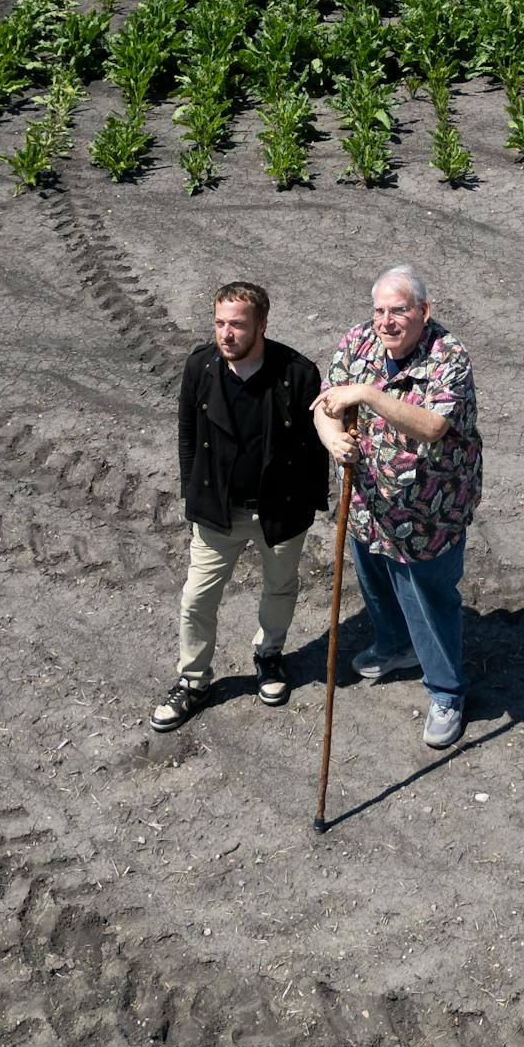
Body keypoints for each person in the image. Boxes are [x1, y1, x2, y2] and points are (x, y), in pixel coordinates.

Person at [313, 264, 482, 751]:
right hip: (368, 500)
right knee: (376, 582)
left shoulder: (449, 356)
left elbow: (431, 427)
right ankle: (395, 646)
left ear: (424, 312)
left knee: (429, 599)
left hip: (431, 510)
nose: (386, 321)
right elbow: (328, 405)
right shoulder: (358, 340)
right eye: (380, 310)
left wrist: (368, 393)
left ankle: (447, 692)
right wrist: (333, 442)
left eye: (399, 310)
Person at [151, 280, 328, 733]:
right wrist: (195, 494)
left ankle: (269, 656)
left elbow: (314, 449)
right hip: (218, 511)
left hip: (280, 512)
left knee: (280, 588)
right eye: (220, 323)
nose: (226, 334)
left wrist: (309, 504)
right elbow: (188, 435)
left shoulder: (298, 373)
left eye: (237, 325)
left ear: (262, 325)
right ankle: (193, 680)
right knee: (197, 597)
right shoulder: (200, 367)